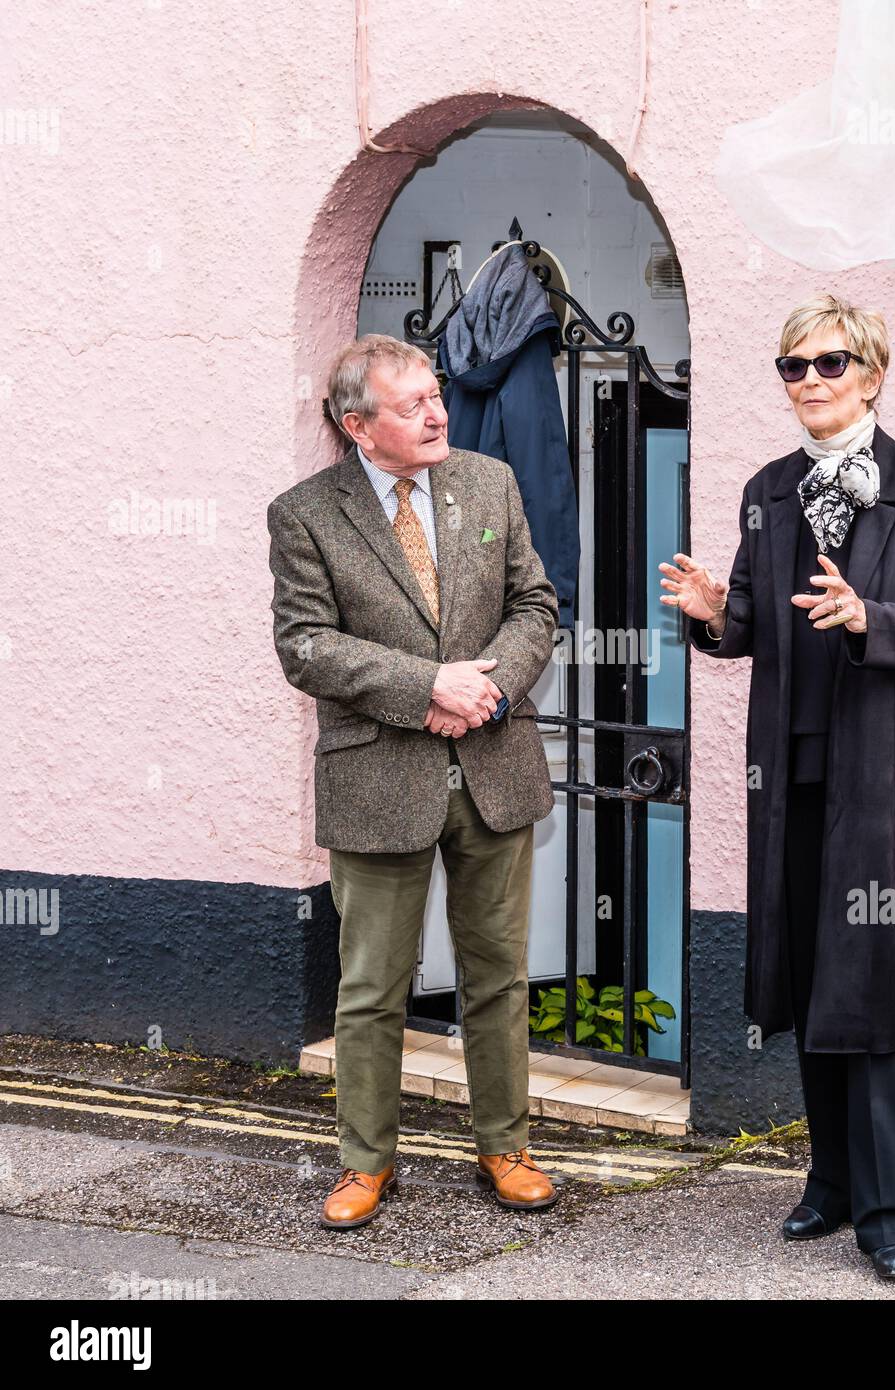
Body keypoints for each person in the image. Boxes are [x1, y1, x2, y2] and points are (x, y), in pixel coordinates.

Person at [658, 294, 895, 1280]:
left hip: (885, 777)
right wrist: (715, 613)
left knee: (875, 985)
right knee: (808, 975)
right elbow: (749, 620)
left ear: (871, 374)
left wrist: (866, 617)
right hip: (791, 773)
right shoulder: (766, 488)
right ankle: (829, 1186)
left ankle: (892, 1212)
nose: (806, 380)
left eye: (827, 363)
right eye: (790, 366)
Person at [267, 334, 560, 1229]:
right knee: (371, 986)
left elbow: (535, 605)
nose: (437, 413)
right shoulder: (305, 513)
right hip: (376, 781)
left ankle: (504, 1147)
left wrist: (488, 689)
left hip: (493, 768)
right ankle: (366, 1162)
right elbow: (305, 644)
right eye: (411, 404)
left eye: (436, 395)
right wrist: (425, 686)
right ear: (357, 425)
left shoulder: (489, 482)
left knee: (497, 978)